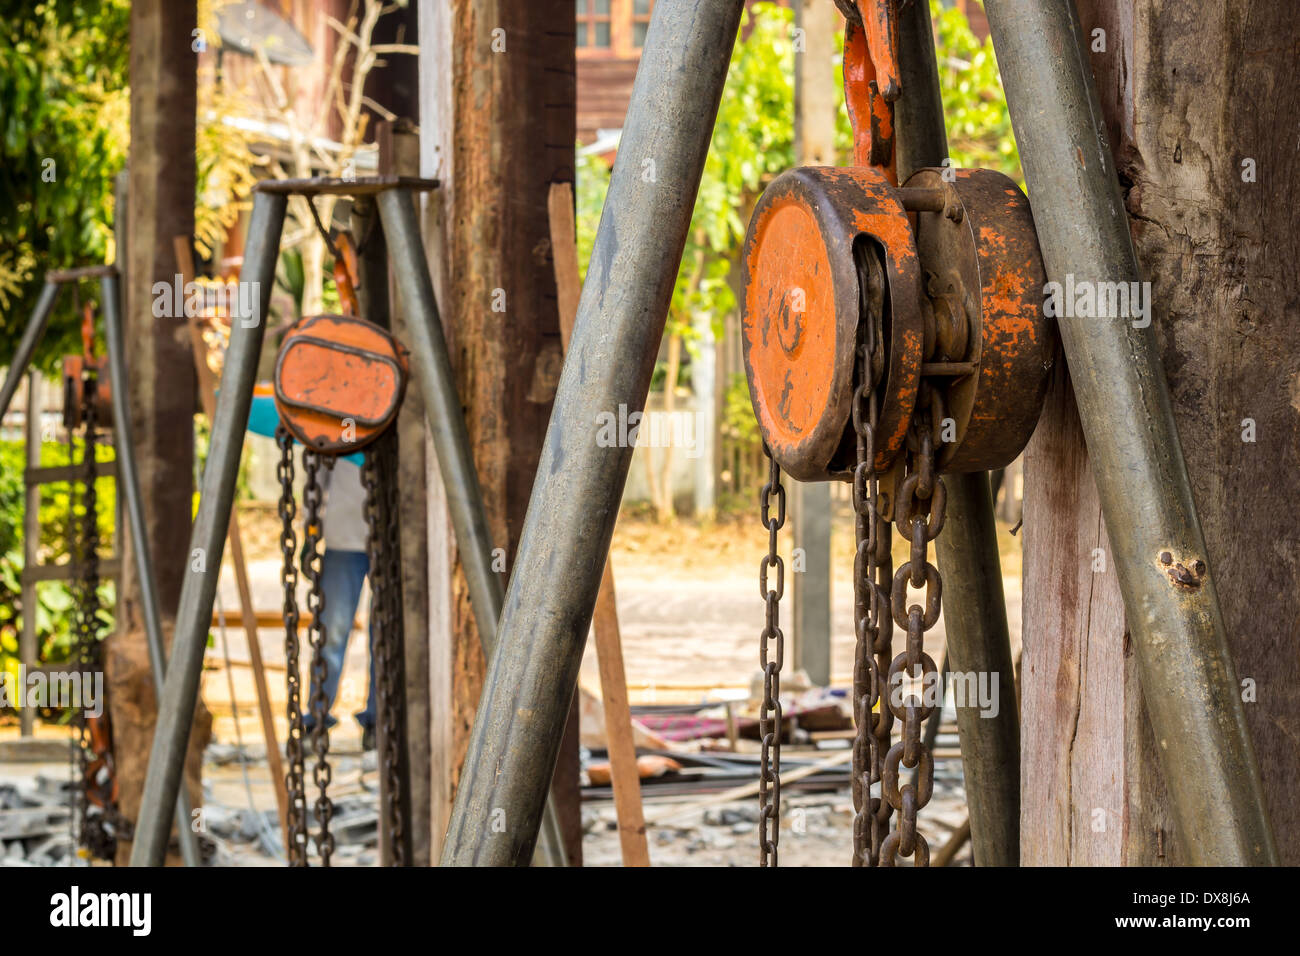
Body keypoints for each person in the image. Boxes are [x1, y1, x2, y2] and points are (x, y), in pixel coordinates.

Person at [249, 388, 377, 751]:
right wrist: (310, 536)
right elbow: (315, 488)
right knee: (332, 632)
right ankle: (317, 716)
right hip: (342, 541)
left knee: (382, 633)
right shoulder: (331, 428)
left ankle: (377, 719)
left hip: (386, 540)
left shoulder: (389, 419)